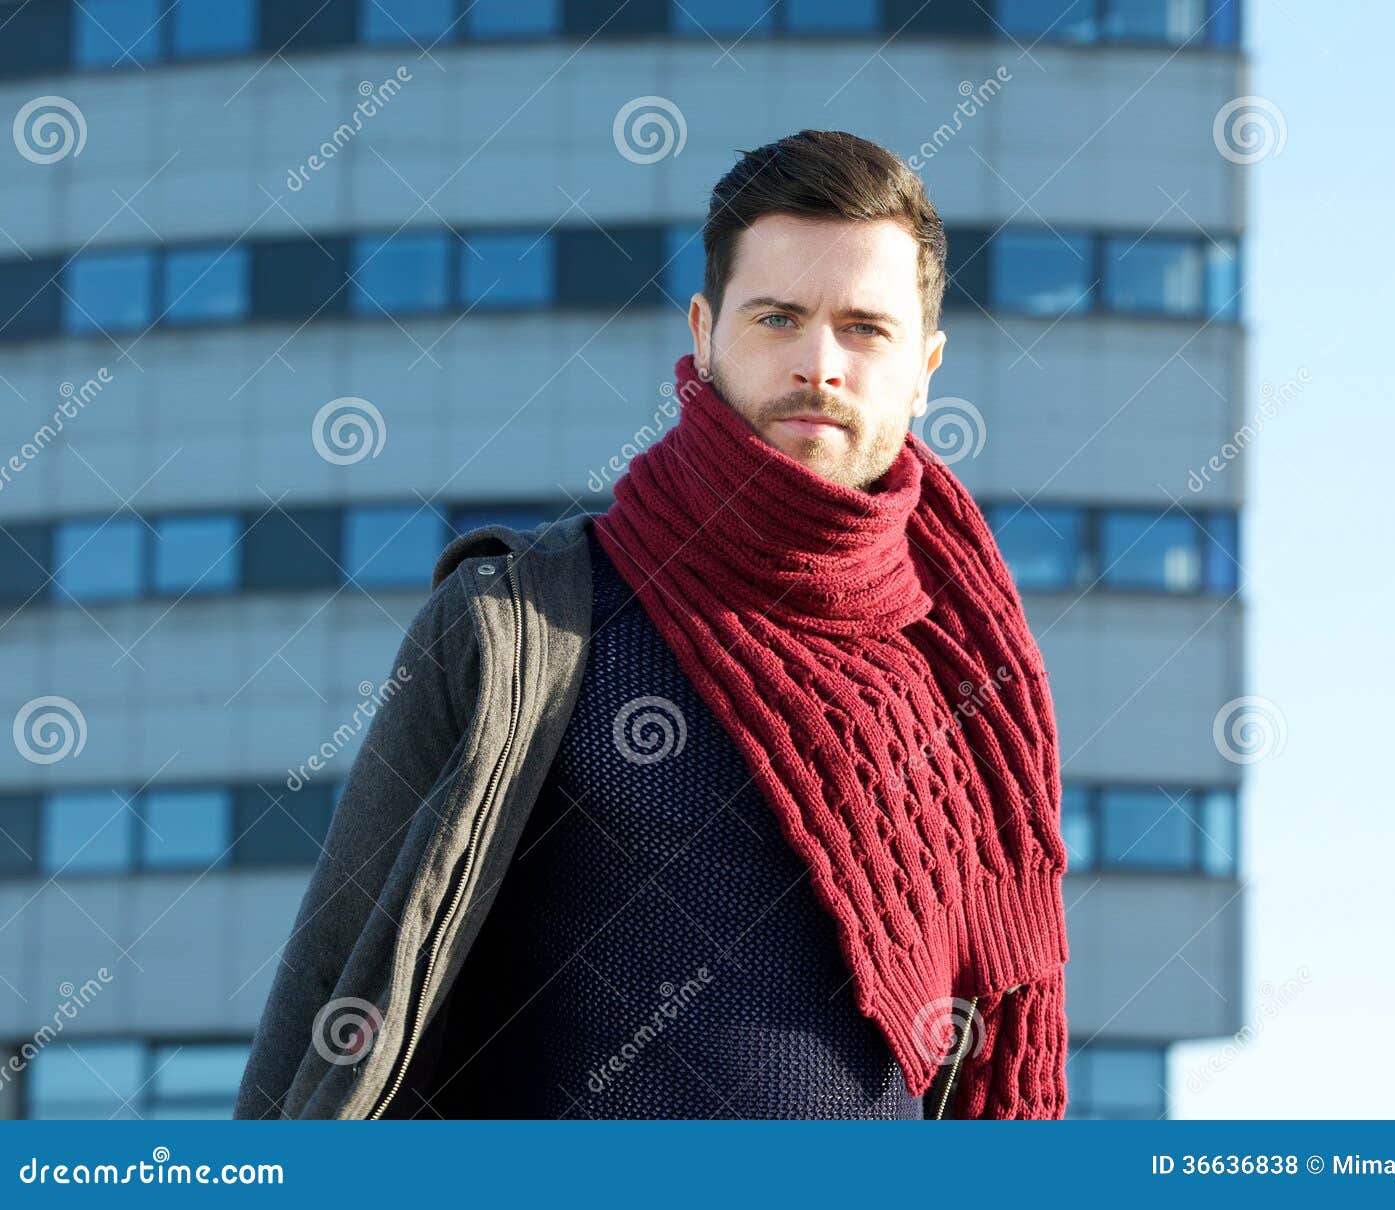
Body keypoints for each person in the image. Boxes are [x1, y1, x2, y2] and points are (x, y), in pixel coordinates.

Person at [234, 129, 1068, 1121]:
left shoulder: (962, 666)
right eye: (777, 316)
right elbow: (335, 982)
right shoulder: (524, 625)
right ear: (705, 328)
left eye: (863, 328)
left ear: (924, 365)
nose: (818, 363)